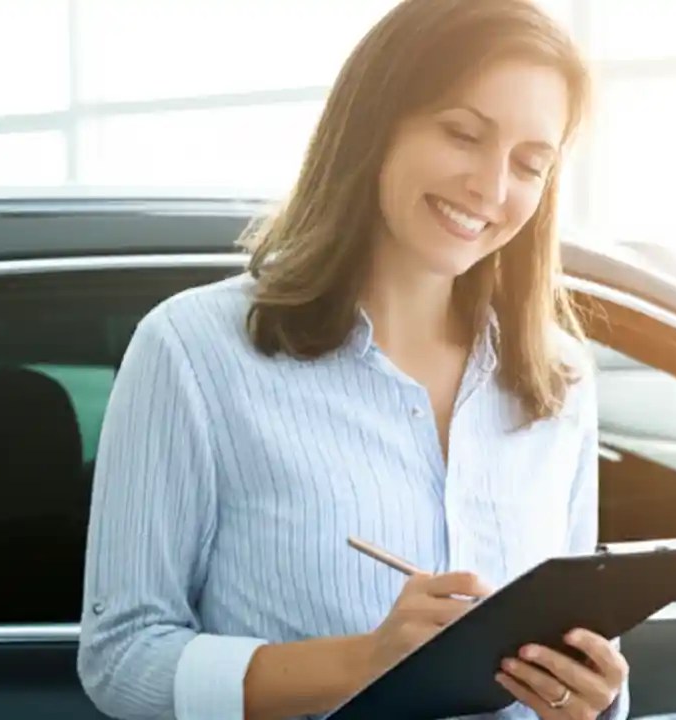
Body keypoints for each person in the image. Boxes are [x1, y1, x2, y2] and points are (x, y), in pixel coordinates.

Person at [76, 1, 629, 718]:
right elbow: (121, 661)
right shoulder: (194, 350)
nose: (492, 189)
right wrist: (363, 661)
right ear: (376, 123)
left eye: (530, 164)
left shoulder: (560, 380)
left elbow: (574, 650)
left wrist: (593, 697)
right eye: (463, 135)